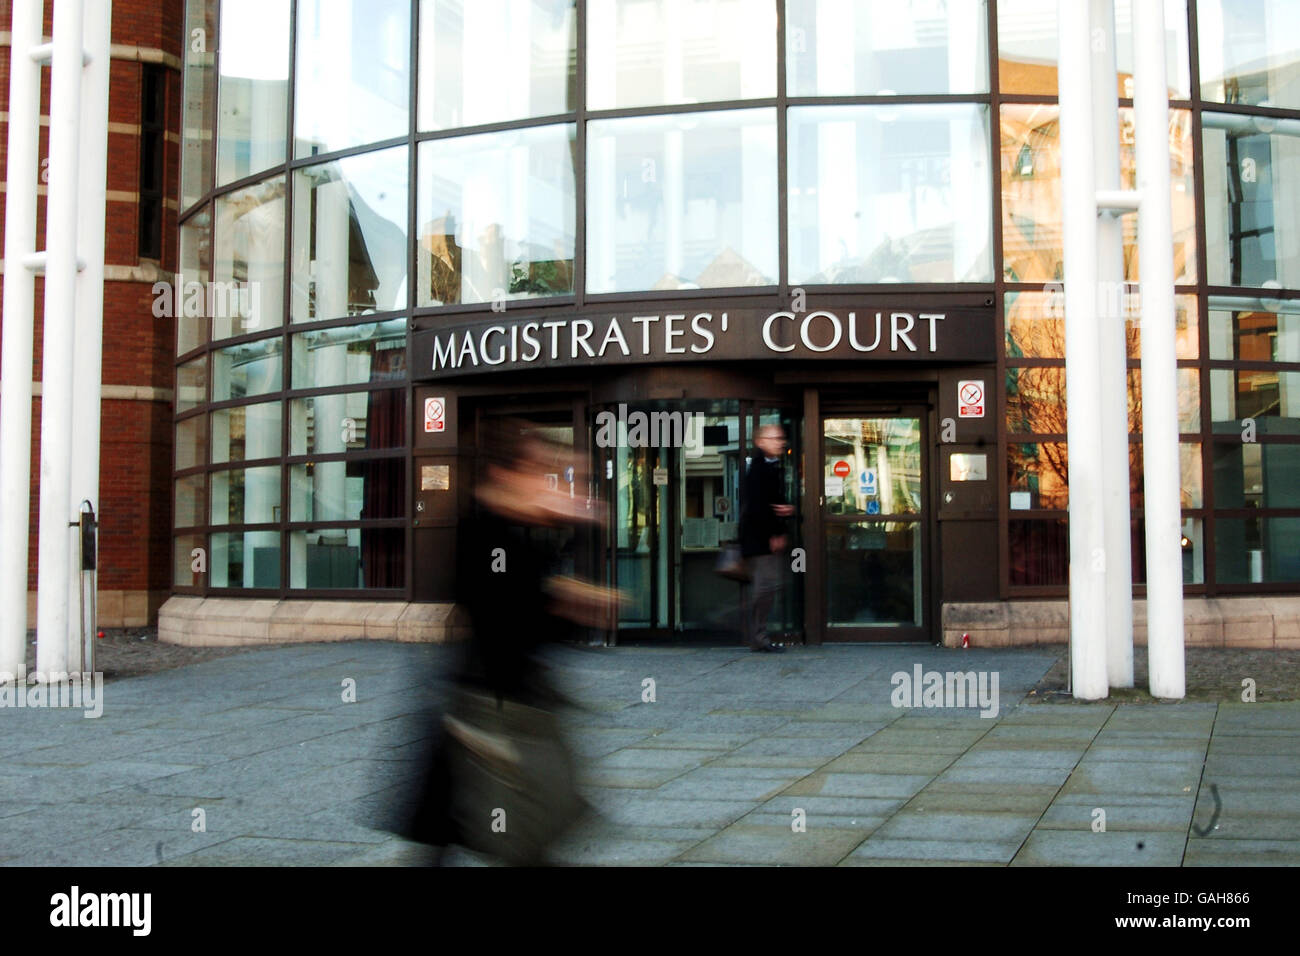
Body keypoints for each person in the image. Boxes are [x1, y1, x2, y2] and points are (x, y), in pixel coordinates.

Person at [397, 419, 615, 864]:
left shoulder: (512, 534)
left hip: (494, 703)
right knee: (523, 824)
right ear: (505, 475)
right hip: (491, 706)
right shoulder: (485, 535)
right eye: (536, 469)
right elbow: (510, 619)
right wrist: (565, 599)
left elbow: (534, 615)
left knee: (461, 826)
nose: (544, 480)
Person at [738, 424, 794, 653]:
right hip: (761, 541)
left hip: (763, 540)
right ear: (760, 442)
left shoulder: (773, 466)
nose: (779, 442)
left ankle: (757, 635)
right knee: (765, 589)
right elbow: (759, 507)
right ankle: (756, 636)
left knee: (768, 587)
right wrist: (775, 533)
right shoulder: (759, 468)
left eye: (781, 438)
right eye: (774, 438)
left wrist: (785, 511)